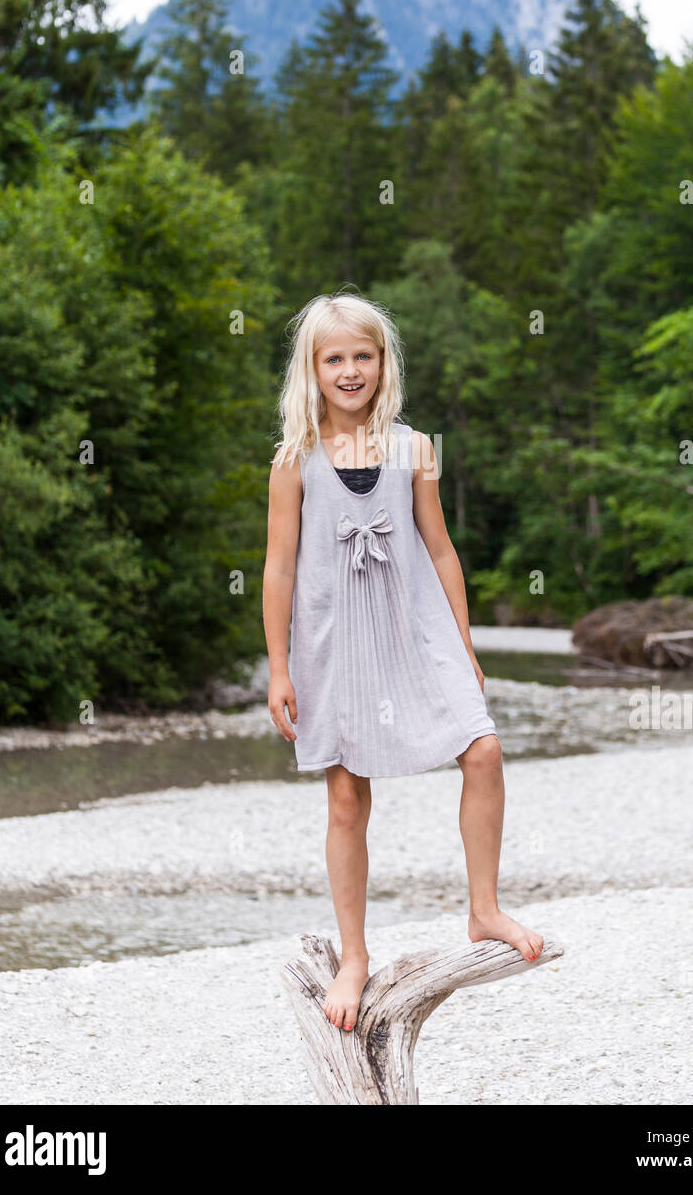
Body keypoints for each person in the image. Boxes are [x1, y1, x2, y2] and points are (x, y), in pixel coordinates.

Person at [263, 291, 543, 1033]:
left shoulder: (414, 449)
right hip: (333, 643)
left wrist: (465, 643)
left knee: (482, 750)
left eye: (364, 355)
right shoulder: (295, 461)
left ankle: (484, 909)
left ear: (383, 363)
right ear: (313, 369)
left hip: (415, 632)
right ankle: (353, 955)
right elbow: (279, 571)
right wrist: (279, 668)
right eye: (335, 359)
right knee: (347, 800)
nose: (350, 370)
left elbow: (442, 551)